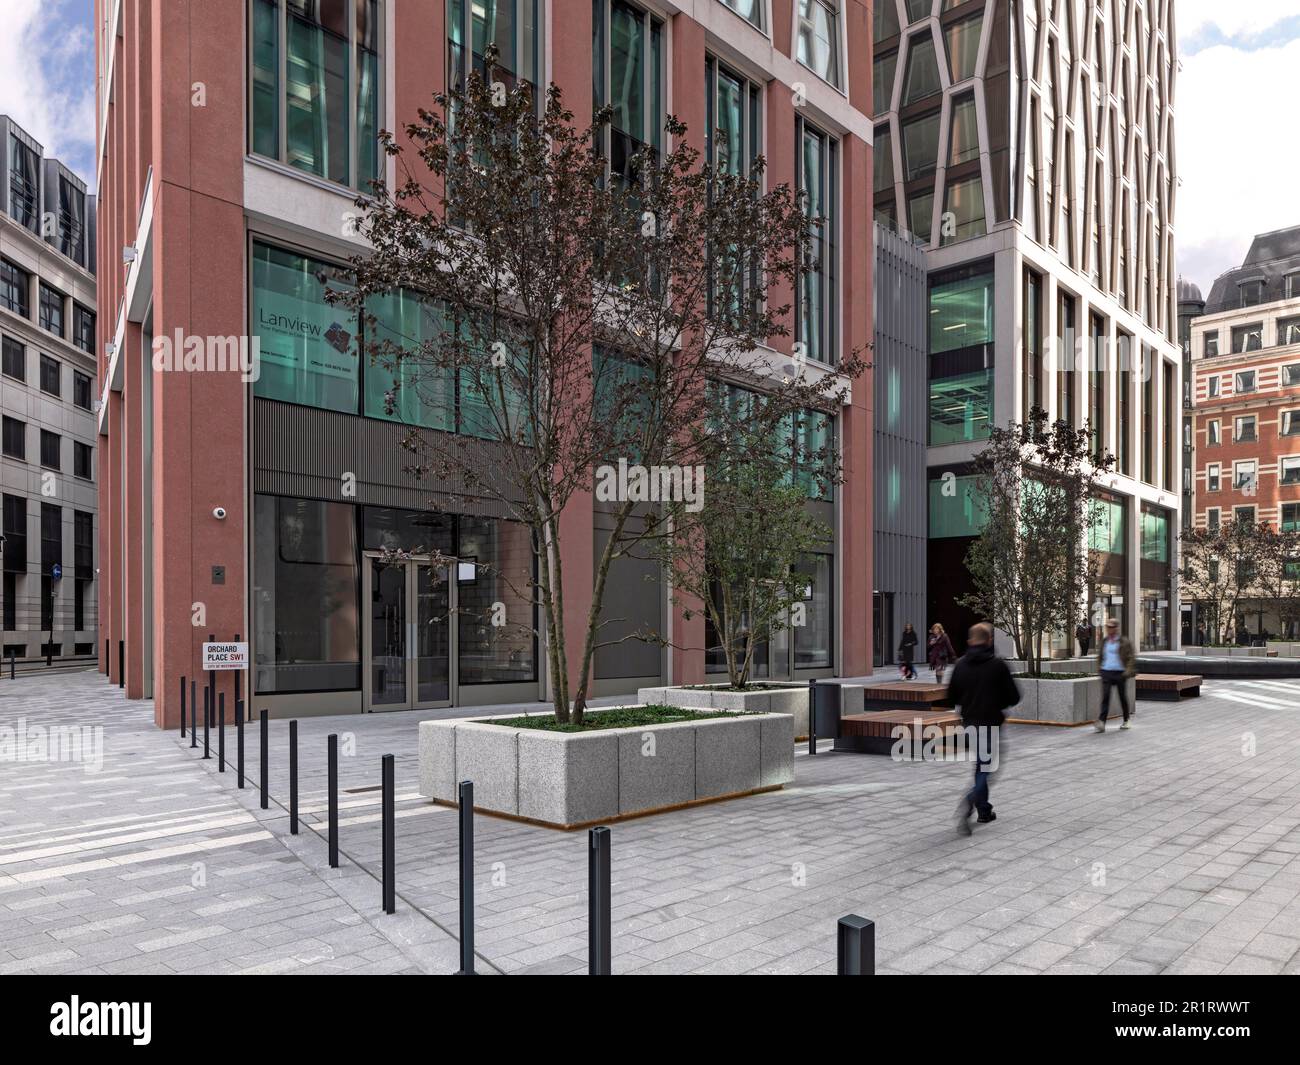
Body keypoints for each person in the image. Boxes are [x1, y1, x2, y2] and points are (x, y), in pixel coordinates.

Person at [947, 622, 1020, 834]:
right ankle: (969, 802)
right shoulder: (998, 665)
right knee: (988, 768)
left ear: (970, 641)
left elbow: (951, 696)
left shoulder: (960, 665)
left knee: (982, 764)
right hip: (991, 723)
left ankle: (984, 810)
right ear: (989, 640)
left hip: (970, 723)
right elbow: (1014, 696)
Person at [1094, 618, 1136, 732]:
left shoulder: (1124, 641)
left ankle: (1126, 720)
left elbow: (1131, 657)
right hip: (1106, 672)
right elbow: (1100, 656)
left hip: (1119, 673)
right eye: (1108, 627)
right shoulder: (1104, 641)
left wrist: (1127, 671)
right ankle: (1102, 722)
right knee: (1105, 697)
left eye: (1112, 627)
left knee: (1122, 697)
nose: (1109, 629)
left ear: (1116, 628)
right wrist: (1100, 669)